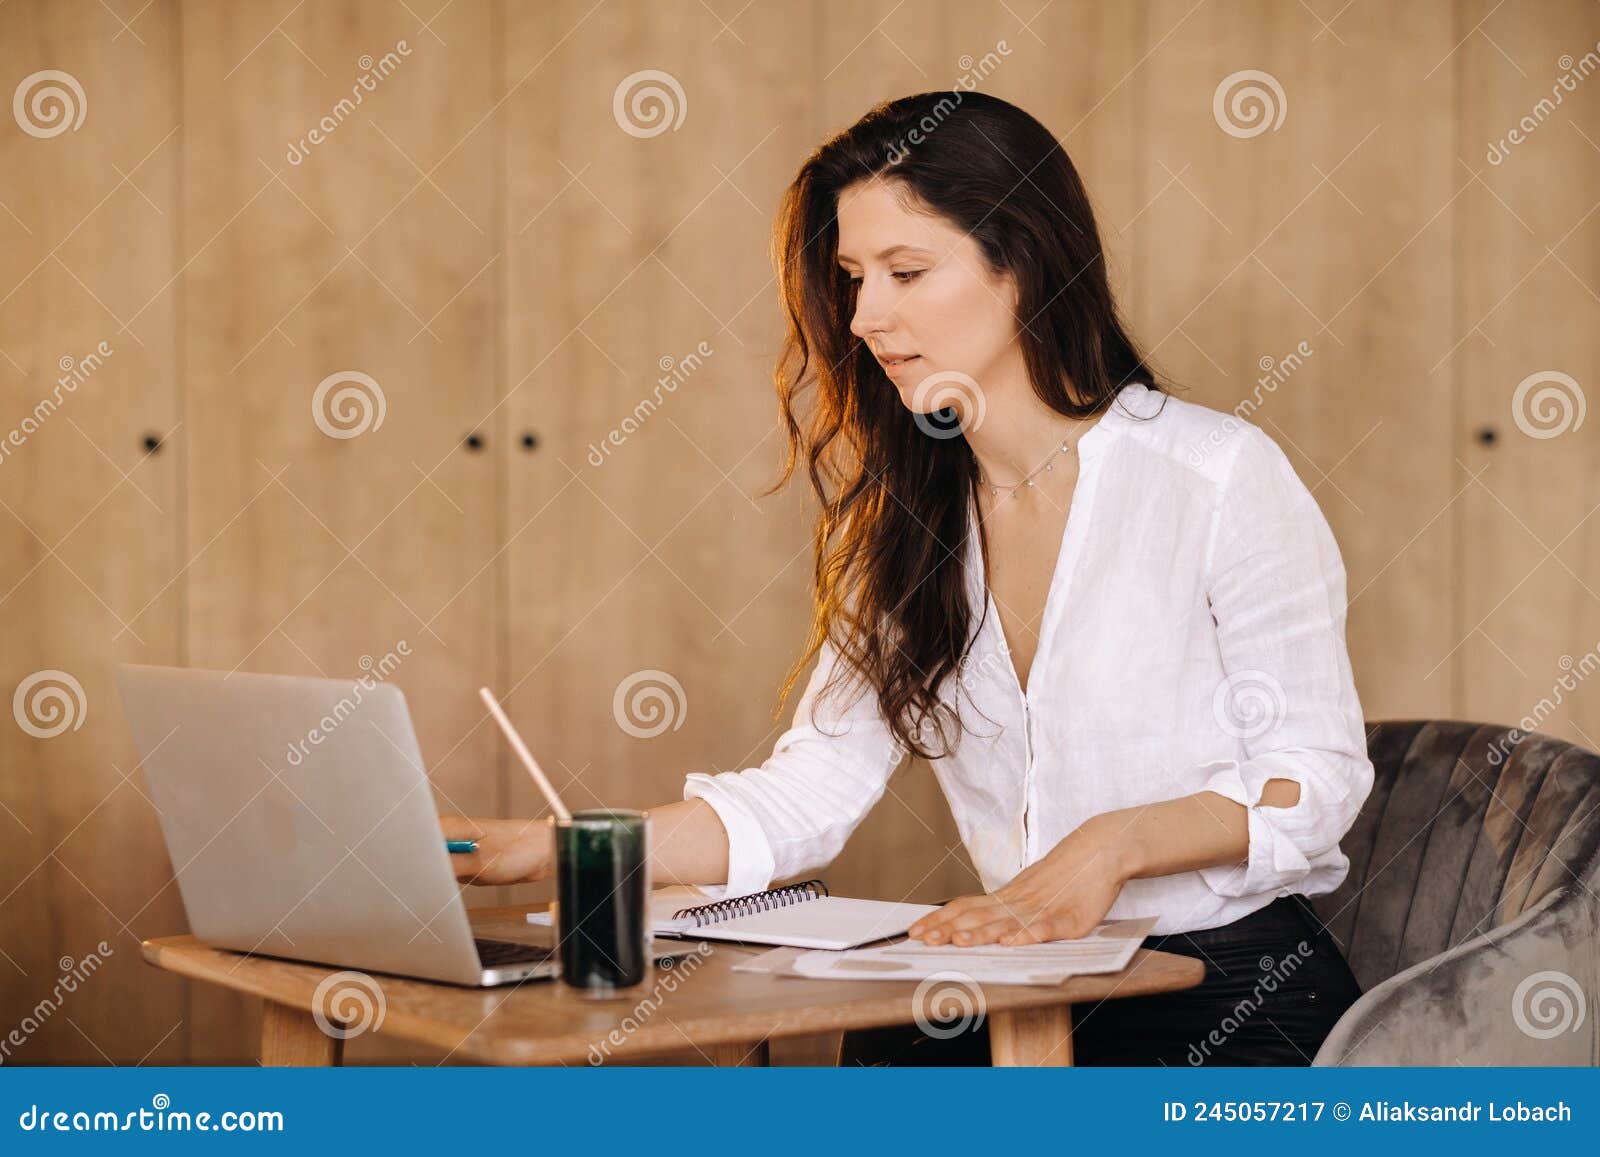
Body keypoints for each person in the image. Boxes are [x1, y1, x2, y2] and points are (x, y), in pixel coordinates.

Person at [443, 91, 1370, 1066]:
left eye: (906, 271)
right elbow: (810, 789)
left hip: (1222, 988)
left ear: (1026, 264)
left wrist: (1111, 845)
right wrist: (548, 847)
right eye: (852, 277)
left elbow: (1313, 773)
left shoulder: (1217, 475)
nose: (865, 316)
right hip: (1021, 981)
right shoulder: (903, 525)